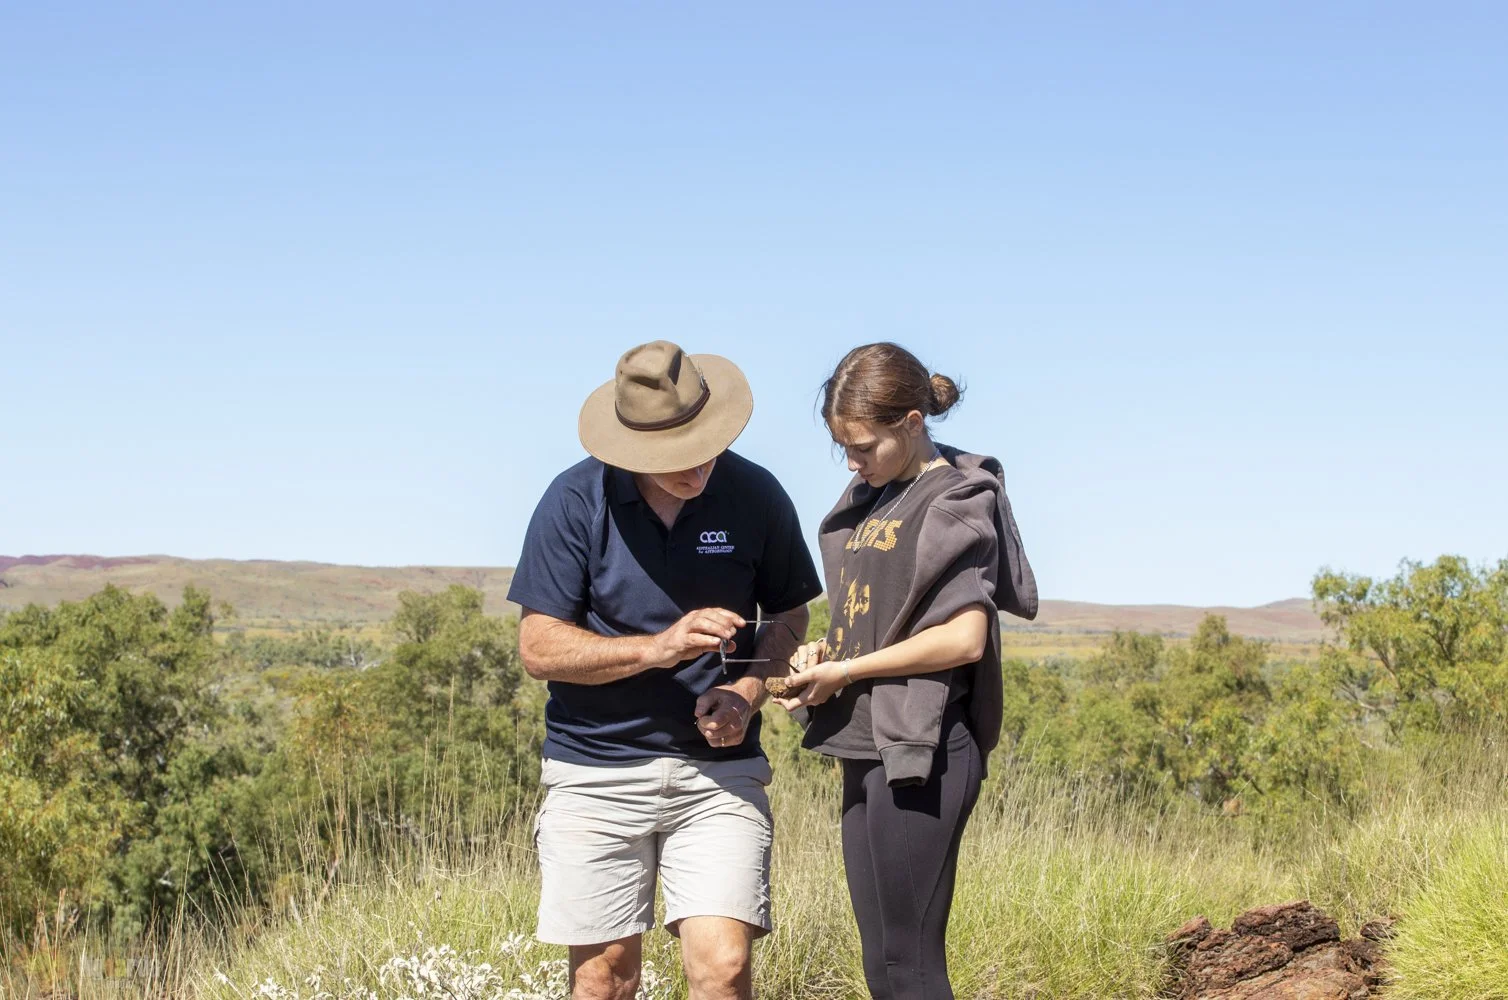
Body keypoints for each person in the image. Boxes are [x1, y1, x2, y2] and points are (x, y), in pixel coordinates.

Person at [508, 340, 822, 1000]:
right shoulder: (573, 499)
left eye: (706, 444)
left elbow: (790, 613)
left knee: (723, 968)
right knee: (605, 979)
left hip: (717, 777)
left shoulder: (756, 493)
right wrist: (656, 649)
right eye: (676, 455)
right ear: (630, 449)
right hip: (594, 773)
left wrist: (746, 692)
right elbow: (538, 648)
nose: (699, 467)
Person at [774, 342, 1037, 1000]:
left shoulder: (954, 499)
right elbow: (876, 616)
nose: (852, 462)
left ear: (913, 423)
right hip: (865, 740)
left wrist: (849, 671)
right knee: (883, 966)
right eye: (843, 448)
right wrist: (826, 654)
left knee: (912, 965)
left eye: (863, 446)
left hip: (926, 747)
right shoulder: (876, 496)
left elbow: (964, 637)